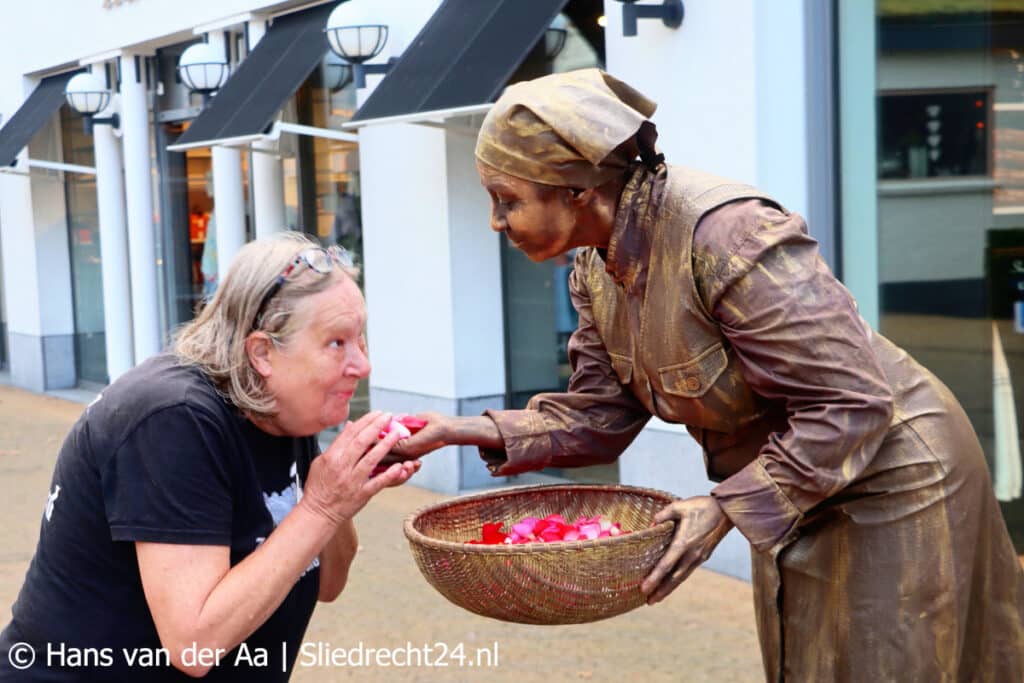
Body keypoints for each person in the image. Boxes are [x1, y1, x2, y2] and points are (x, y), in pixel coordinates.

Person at [390, 69, 1024, 680]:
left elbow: (852, 402)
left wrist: (723, 508)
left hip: (892, 473)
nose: (497, 223)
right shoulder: (594, 271)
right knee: (803, 658)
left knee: (879, 660)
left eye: (507, 202)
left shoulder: (729, 235)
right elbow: (598, 417)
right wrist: (454, 430)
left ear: (576, 190)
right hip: (793, 478)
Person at [0, 233, 420, 681]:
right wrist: (323, 505)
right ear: (262, 353)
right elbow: (195, 644)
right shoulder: (172, 420)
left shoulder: (283, 407)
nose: (362, 364)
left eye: (360, 339)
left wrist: (344, 491)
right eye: (337, 343)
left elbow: (327, 584)